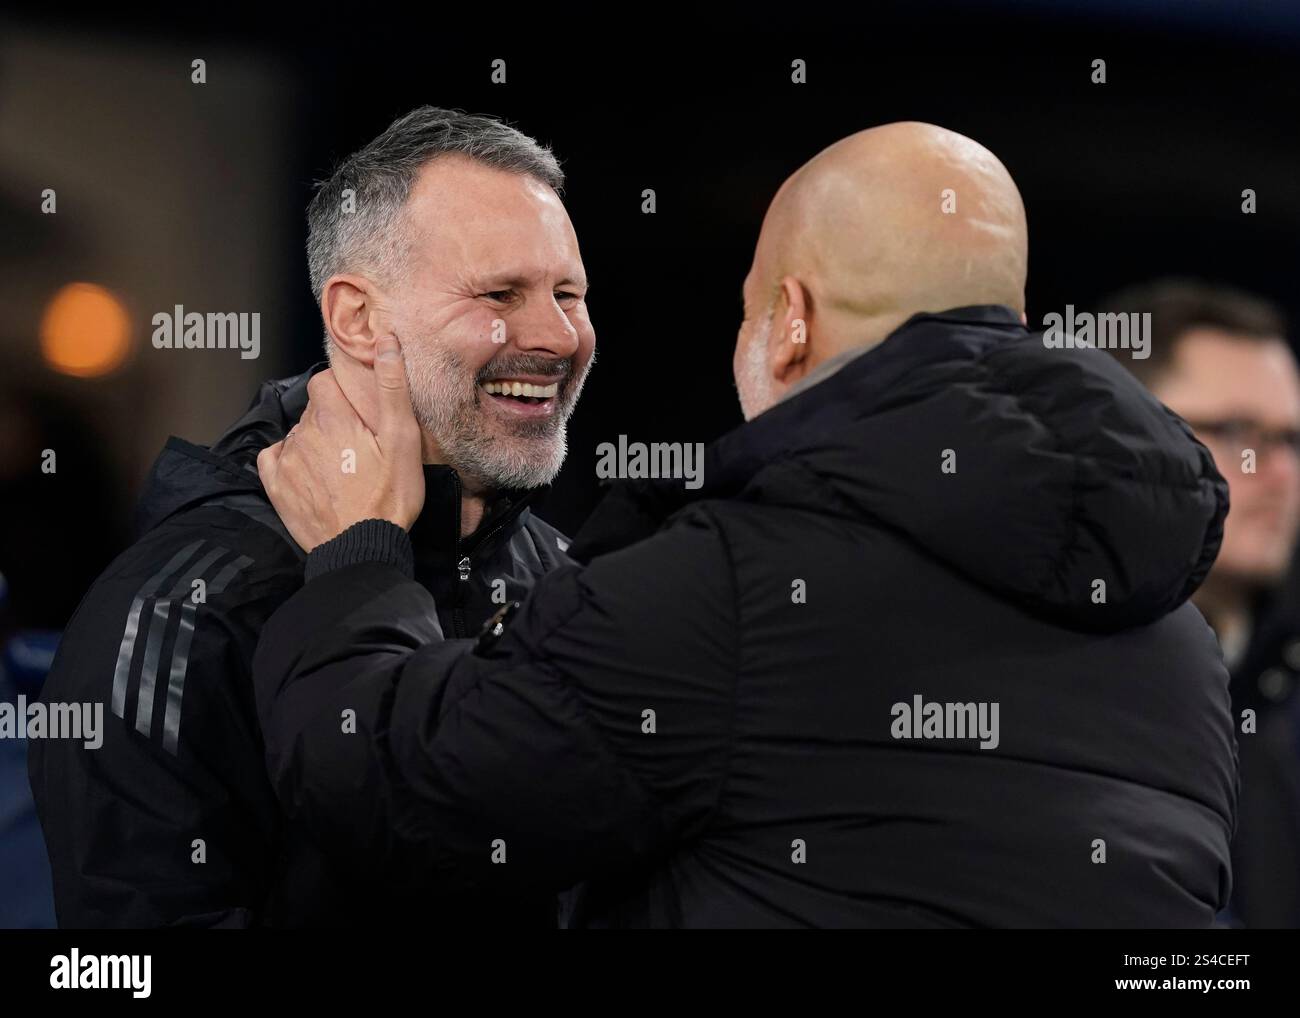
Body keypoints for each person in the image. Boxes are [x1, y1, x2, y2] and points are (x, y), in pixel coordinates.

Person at [252, 122, 1237, 928]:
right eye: (503, 294)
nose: (552, 329)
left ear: (791, 319)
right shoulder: (1180, 643)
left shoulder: (733, 590)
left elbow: (393, 782)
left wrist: (355, 559)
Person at [28, 106, 595, 927]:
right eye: (500, 292)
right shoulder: (179, 610)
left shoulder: (567, 580)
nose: (556, 335)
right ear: (357, 320)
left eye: (569, 292)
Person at [1101, 279, 1300, 927]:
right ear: (1116, 434)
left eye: (1293, 440)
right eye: (1239, 431)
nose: (1279, 474)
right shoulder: (1022, 683)